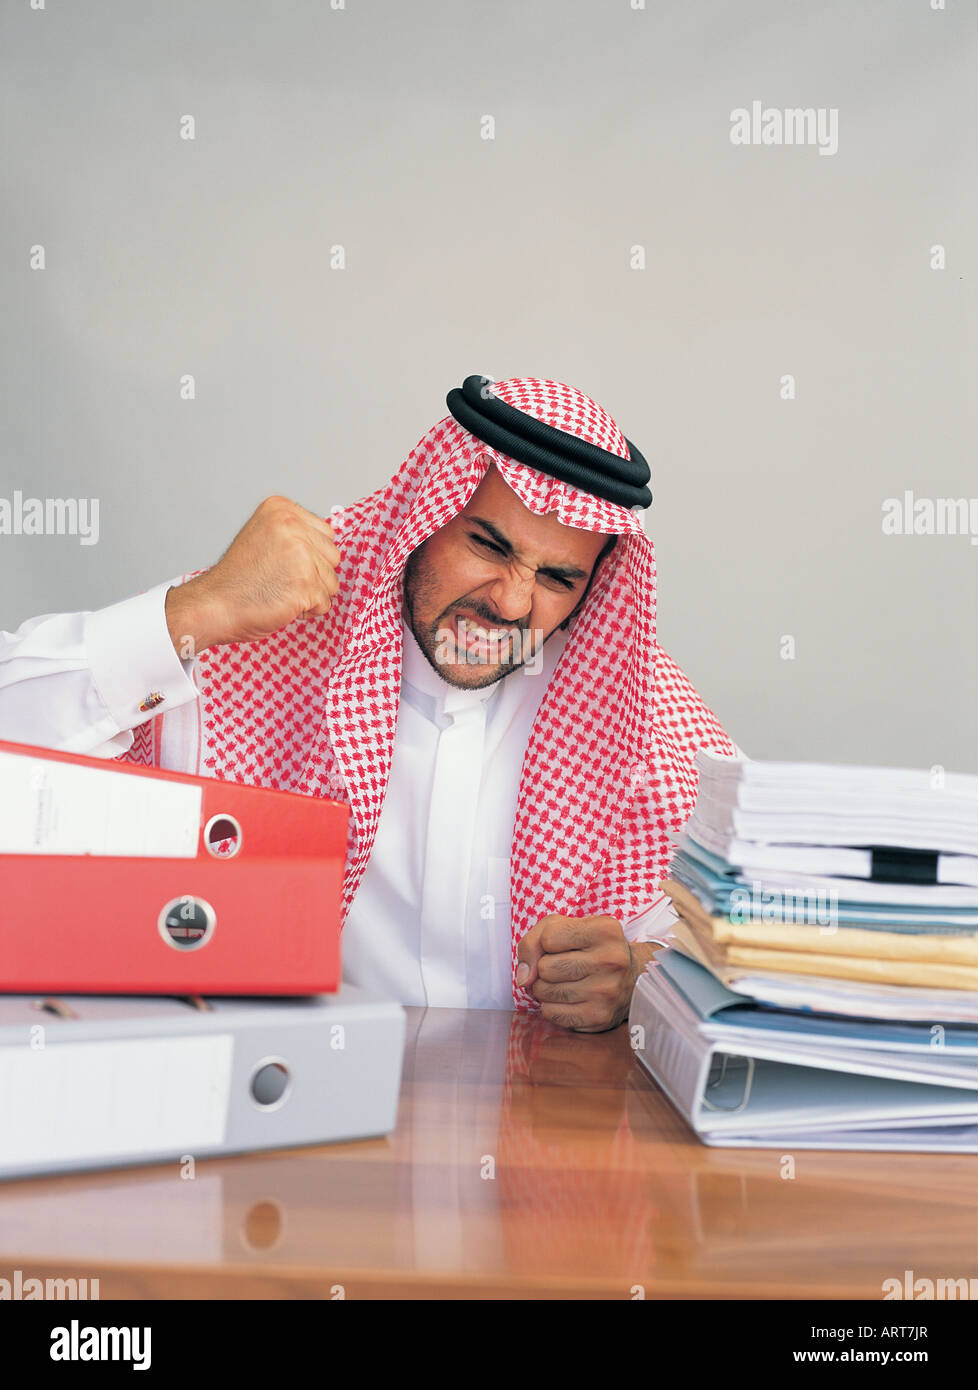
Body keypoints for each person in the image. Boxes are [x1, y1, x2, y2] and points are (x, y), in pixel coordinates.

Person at [0, 374, 739, 1029]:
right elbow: (17, 758)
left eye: (557, 578)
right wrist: (195, 610)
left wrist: (643, 977)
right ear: (424, 513)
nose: (513, 603)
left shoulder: (636, 716)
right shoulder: (252, 641)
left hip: (533, 1145)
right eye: (488, 545)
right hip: (277, 1119)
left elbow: (765, 946)